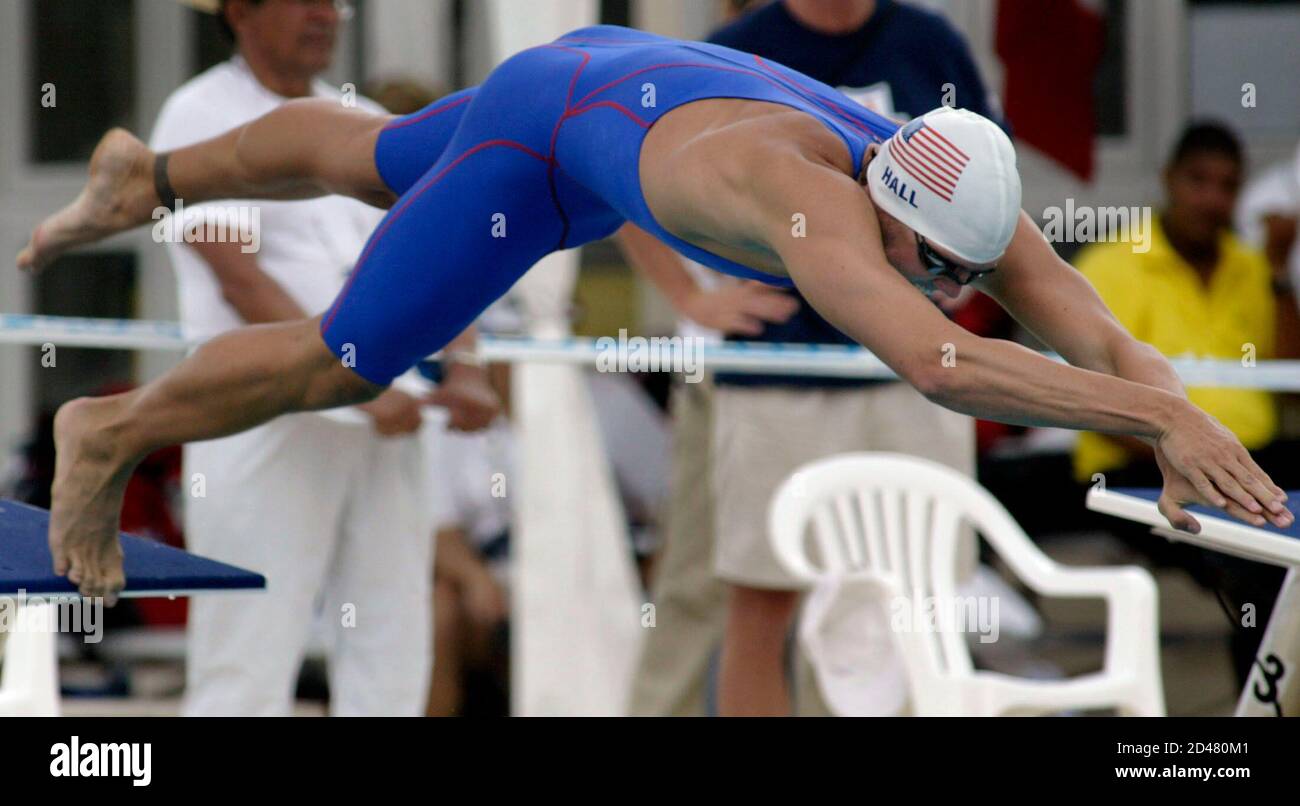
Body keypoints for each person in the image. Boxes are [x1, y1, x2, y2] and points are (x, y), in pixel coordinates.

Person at [17, 25, 1291, 617]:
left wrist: (1162, 406)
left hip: (608, 73)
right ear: (884, 207)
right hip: (551, 145)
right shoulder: (817, 204)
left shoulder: (961, 193)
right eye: (932, 265)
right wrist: (1149, 414)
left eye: (970, 268)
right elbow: (941, 364)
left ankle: (154, 174)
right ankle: (106, 428)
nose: (951, 284)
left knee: (378, 154)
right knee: (345, 358)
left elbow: (1098, 335)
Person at [627, 0, 1005, 717]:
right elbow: (621, 173)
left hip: (911, 372)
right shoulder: (735, 52)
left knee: (915, 603)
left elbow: (993, 190)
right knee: (761, 602)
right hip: (781, 371)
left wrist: (959, 279)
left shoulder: (928, 45)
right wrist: (691, 297)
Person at [1073, 121, 1300, 684]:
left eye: (1227, 186)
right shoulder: (1113, 264)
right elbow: (1090, 399)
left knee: (1268, 544)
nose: (1212, 200)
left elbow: (1288, 377)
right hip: (1140, 467)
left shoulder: (1248, 265)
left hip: (1252, 459)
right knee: (1256, 562)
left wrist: (1276, 271)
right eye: (1198, 182)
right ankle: (1260, 704)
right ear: (1168, 180)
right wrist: (1186, 459)